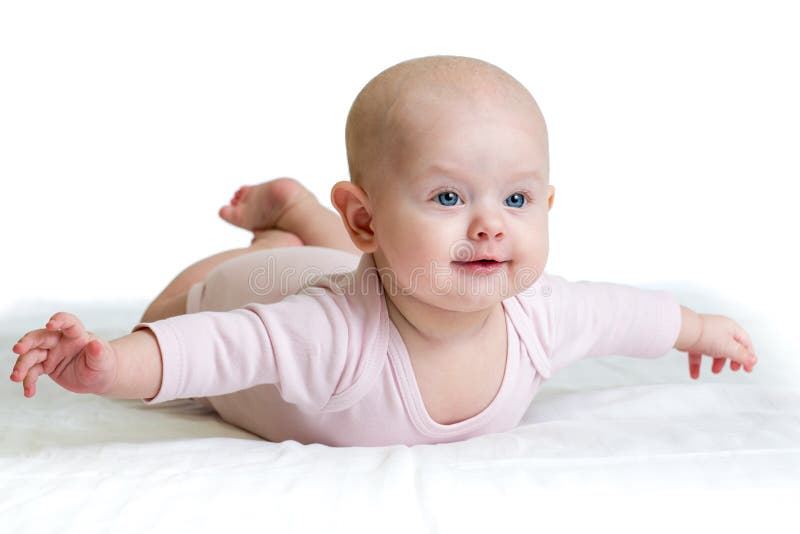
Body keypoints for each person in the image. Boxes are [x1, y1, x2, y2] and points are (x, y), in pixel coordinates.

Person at [9, 55, 758, 446]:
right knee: (173, 308)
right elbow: (206, 347)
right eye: (449, 198)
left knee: (372, 267)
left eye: (519, 200)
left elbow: (622, 315)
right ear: (364, 217)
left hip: (344, 268)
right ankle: (277, 229)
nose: (492, 226)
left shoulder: (542, 312)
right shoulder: (327, 335)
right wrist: (110, 364)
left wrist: (698, 329)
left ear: (549, 206)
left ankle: (292, 213)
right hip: (247, 285)